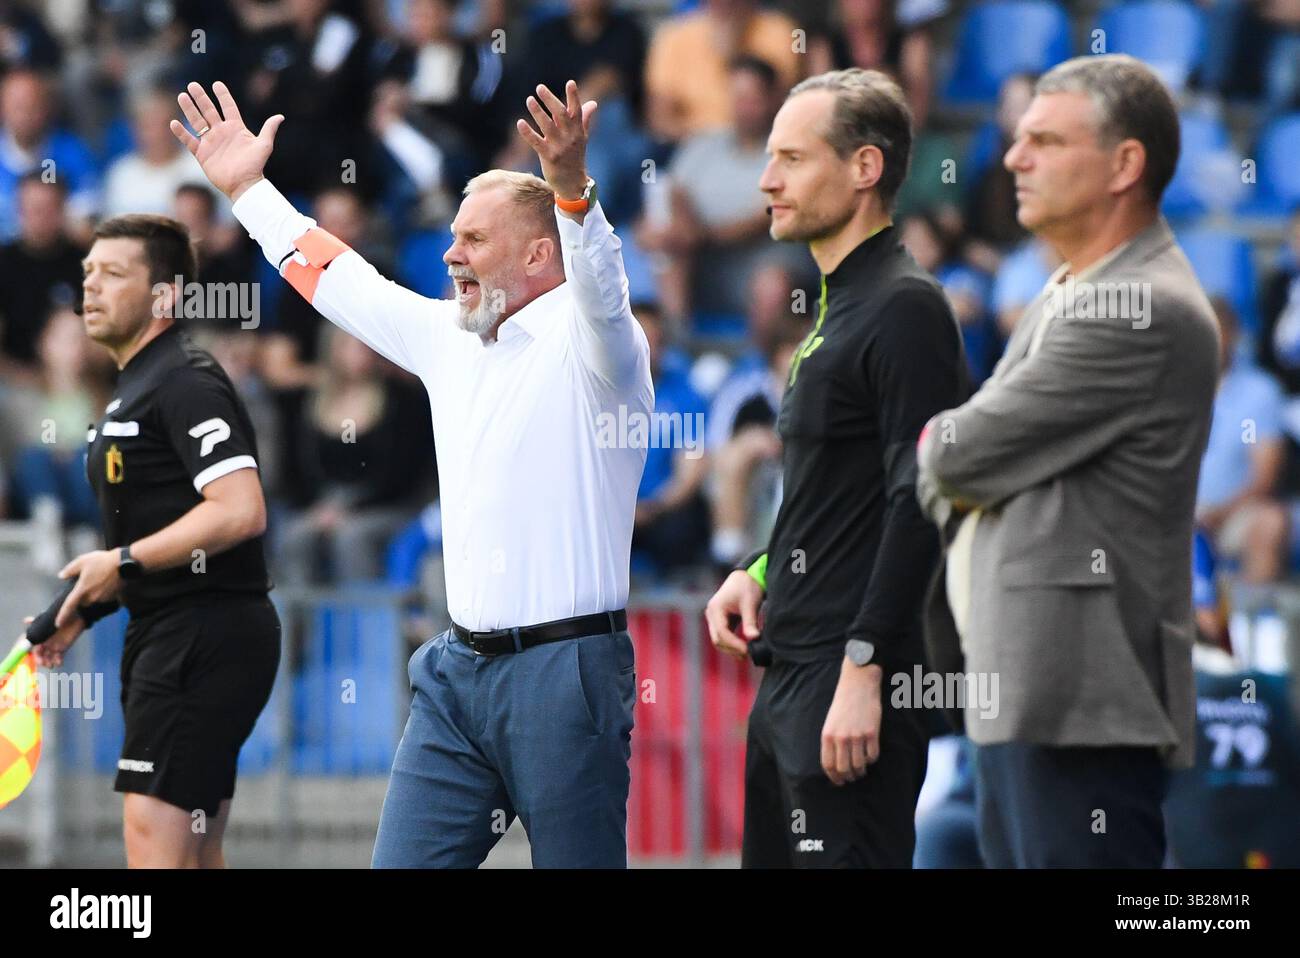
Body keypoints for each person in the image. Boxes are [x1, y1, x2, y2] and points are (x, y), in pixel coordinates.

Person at [170, 77, 652, 867]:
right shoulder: (448, 337)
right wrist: (249, 191)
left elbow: (600, 287)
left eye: (473, 240)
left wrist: (571, 191)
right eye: (452, 236)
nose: (450, 254)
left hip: (566, 678)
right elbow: (337, 278)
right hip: (455, 674)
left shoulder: (599, 348)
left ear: (538, 254)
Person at [916, 54, 1220, 868]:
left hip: (1078, 695)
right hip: (1028, 689)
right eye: (1019, 141)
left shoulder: (1138, 304)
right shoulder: (1071, 285)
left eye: (1045, 141)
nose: (1014, 159)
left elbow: (957, 454)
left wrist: (946, 453)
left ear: (1126, 164)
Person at [704, 68, 968, 868]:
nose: (766, 178)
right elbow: (832, 493)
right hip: (792, 670)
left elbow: (918, 497)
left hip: (848, 682)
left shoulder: (905, 305)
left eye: (792, 157)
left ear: (864, 169)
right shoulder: (835, 304)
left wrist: (866, 666)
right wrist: (759, 568)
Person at [27, 214, 280, 868]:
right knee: (194, 853)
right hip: (177, 627)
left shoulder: (184, 379)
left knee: (154, 840)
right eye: (88, 273)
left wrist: (122, 562)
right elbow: (158, 522)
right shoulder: (133, 387)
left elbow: (240, 509)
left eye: (113, 274)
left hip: (201, 632)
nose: (91, 287)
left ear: (165, 296)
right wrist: (89, 603)